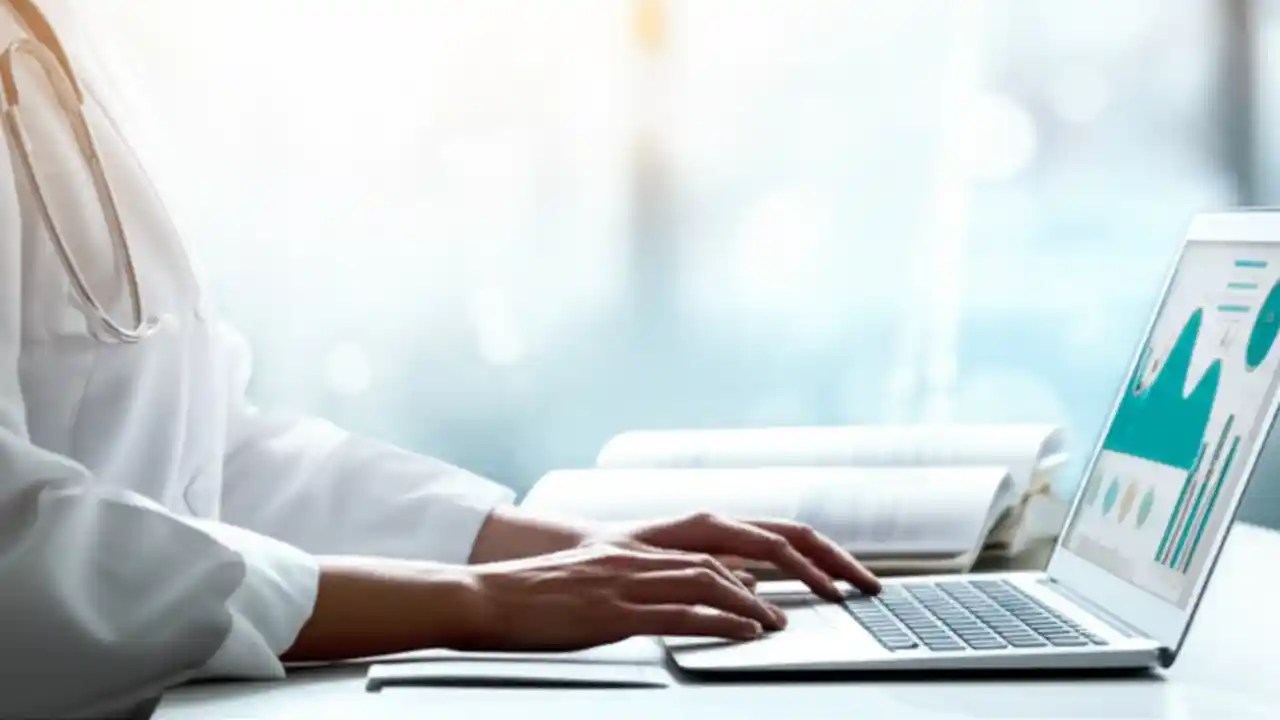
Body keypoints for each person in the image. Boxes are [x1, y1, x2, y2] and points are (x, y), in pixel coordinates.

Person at [0, 1, 879, 717]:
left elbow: (208, 455)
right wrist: (483, 602)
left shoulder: (69, 33)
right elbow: (19, 556)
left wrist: (560, 550)